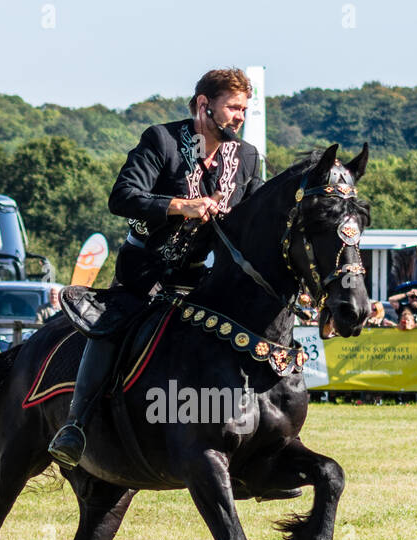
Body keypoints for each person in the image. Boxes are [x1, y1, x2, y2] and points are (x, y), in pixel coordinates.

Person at [48, 67, 262, 468]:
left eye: (244, 109)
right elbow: (122, 197)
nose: (240, 116)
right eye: (233, 107)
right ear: (204, 105)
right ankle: (75, 426)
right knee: (110, 326)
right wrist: (181, 206)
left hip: (203, 277)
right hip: (146, 271)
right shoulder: (161, 140)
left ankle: (257, 439)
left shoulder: (247, 158)